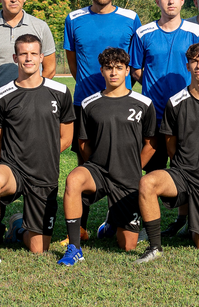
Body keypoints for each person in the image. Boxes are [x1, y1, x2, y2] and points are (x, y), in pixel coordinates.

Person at [0, 34, 76, 270]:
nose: (28, 58)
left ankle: (19, 226)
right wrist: (15, 157)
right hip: (13, 169)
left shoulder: (60, 92)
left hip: (44, 172)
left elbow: (66, 137)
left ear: (41, 57)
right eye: (23, 54)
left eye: (33, 54)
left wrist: (43, 154)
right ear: (15, 57)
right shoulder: (0, 95)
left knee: (39, 249)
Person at [136, 43, 199, 263]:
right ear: (187, 65)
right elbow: (170, 144)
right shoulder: (175, 103)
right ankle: (155, 247)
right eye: (195, 61)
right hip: (182, 176)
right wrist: (183, 167)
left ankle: (195, 224)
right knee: (147, 183)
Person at [58, 48, 158, 265]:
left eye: (119, 68)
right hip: (99, 171)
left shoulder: (143, 103)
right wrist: (97, 163)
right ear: (102, 71)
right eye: (109, 68)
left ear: (127, 71)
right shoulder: (89, 104)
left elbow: (151, 143)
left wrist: (134, 167)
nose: (114, 72)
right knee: (74, 179)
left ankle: (111, 223)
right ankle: (75, 247)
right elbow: (84, 143)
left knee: (128, 245)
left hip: (127, 177)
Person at [63, 0, 141, 240]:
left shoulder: (131, 19)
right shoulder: (74, 19)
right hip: (86, 103)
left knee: (123, 163)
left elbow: (135, 61)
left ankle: (116, 219)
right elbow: (73, 62)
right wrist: (89, 88)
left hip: (122, 105)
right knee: (86, 160)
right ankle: (81, 229)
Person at [129, 0, 199, 175]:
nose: (170, 1)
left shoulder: (196, 31)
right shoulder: (142, 33)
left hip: (185, 112)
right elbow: (136, 69)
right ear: (158, 1)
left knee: (185, 170)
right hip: (153, 113)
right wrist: (152, 85)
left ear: (182, 0)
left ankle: (187, 205)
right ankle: (141, 206)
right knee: (150, 171)